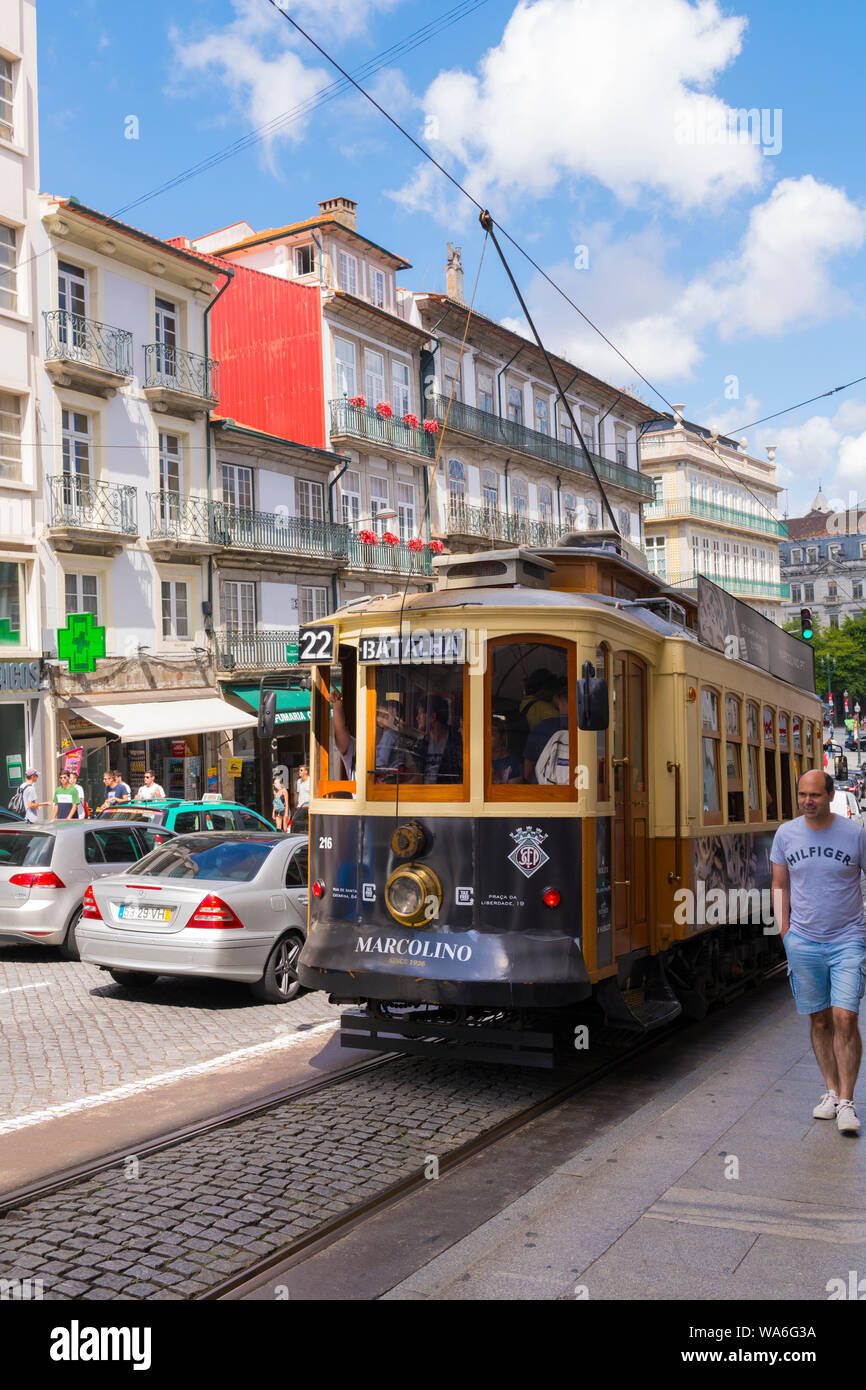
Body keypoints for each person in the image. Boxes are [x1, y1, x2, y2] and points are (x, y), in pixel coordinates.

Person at [771, 768, 866, 1135]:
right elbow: (779, 885)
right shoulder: (786, 834)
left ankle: (847, 1101)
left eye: (815, 795)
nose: (808, 801)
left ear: (830, 796)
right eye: (802, 795)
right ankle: (829, 1090)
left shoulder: (854, 834)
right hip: (804, 941)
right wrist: (785, 934)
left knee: (845, 1017)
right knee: (820, 1019)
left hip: (847, 940)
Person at [523, 677, 570, 783]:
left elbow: (527, 773)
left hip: (543, 794)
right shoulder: (589, 730)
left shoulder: (541, 729)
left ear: (556, 698)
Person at [413, 694, 461, 784]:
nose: (417, 718)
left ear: (432, 717)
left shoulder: (457, 741)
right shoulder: (420, 744)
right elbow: (416, 774)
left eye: (420, 713)